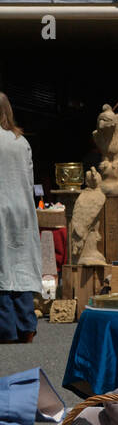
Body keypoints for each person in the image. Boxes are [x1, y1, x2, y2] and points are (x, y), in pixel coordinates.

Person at [0, 94, 41, 344]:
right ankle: (26, 325)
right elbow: (28, 178)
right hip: (21, 208)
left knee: (2, 266)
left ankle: (5, 328)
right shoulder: (20, 141)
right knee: (20, 263)